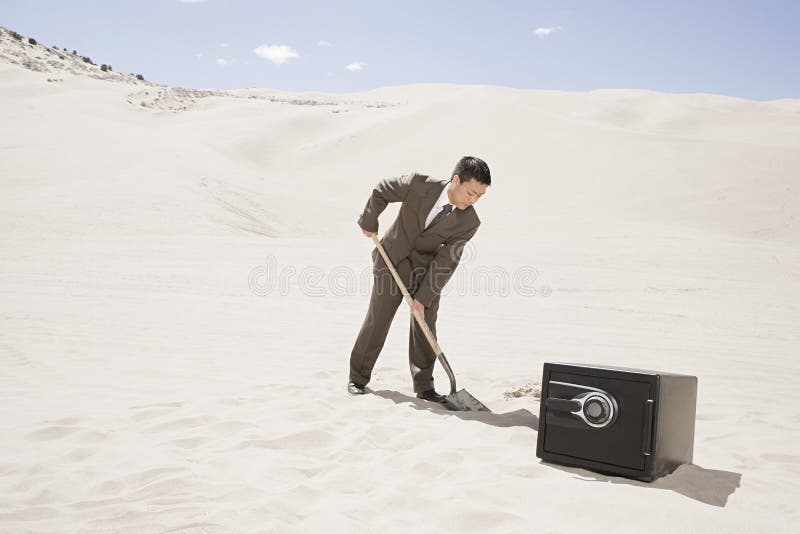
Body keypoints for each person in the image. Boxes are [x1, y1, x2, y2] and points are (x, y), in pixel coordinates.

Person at [348, 156, 491, 404]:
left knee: (426, 324)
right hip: (391, 259)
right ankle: (357, 378)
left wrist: (423, 298)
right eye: (471, 192)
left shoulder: (470, 221)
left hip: (425, 271)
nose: (473, 200)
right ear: (456, 180)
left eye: (479, 195)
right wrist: (369, 220)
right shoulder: (419, 184)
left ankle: (425, 386)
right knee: (378, 319)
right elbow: (382, 189)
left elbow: (447, 261)